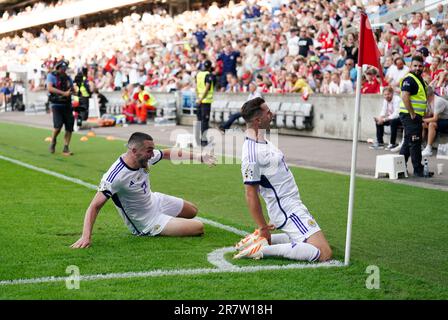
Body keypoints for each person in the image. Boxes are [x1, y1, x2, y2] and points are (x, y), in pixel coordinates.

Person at [71, 132, 216, 248]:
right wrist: (86, 236)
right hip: (147, 222)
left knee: (192, 211)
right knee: (198, 227)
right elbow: (94, 206)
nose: (152, 154)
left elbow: (167, 153)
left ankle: (171, 223)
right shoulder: (115, 176)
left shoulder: (145, 157)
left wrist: (198, 157)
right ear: (134, 151)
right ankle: (165, 225)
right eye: (149, 150)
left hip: (156, 201)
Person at [234, 98, 332, 262]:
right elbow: (250, 193)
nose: (272, 114)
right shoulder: (251, 153)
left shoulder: (262, 139)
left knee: (315, 241)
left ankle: (261, 239)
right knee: (324, 252)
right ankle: (264, 249)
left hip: (290, 205)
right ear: (258, 120)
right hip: (287, 208)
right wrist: (263, 226)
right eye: (268, 112)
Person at [399, 56, 433, 177]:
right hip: (410, 115)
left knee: (409, 141)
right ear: (410, 66)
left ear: (423, 67)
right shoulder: (410, 79)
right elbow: (405, 96)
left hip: (415, 116)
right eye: (415, 65)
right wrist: (412, 113)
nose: (418, 68)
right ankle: (418, 170)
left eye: (420, 66)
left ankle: (399, 167)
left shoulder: (420, 80)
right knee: (415, 142)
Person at [47, 60, 74, 156]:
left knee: (69, 127)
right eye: (63, 68)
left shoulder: (68, 78)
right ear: (58, 68)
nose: (64, 70)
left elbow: (72, 89)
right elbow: (50, 88)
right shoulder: (51, 76)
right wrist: (64, 93)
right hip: (56, 105)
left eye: (65, 68)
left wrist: (73, 91)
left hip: (67, 104)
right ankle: (53, 141)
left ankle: (66, 147)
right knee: (57, 127)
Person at [422, 86, 448, 157]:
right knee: (423, 123)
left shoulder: (438, 101)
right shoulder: (429, 101)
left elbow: (435, 118)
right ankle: (420, 145)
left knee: (431, 124)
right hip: (442, 119)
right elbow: (429, 114)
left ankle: (428, 148)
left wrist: (423, 120)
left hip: (446, 119)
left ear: (427, 94)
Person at [195, 60, 216, 146]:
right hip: (205, 101)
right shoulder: (208, 75)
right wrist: (202, 99)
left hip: (199, 100)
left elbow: (196, 87)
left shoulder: (199, 74)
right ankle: (204, 140)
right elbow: (207, 88)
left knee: (199, 120)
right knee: (204, 121)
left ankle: (197, 139)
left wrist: (198, 98)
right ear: (210, 67)